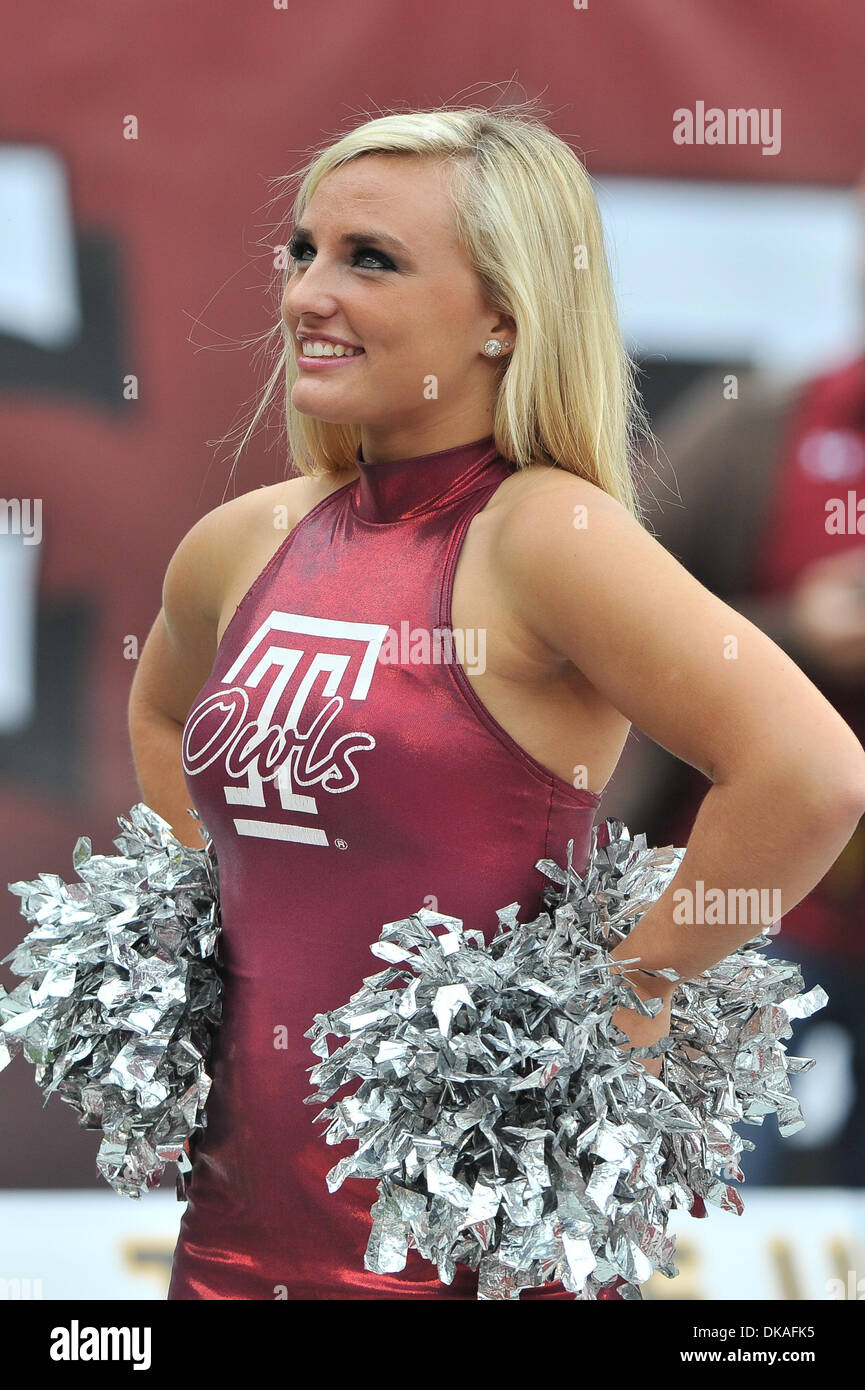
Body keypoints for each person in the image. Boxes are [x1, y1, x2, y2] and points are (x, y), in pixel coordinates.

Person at [127, 104, 865, 1300]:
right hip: (230, 1235)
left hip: (464, 1252)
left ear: (503, 317)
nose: (310, 292)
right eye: (302, 251)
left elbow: (809, 773)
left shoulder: (550, 536)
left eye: (370, 259)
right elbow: (162, 713)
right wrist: (193, 930)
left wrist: (633, 987)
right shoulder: (244, 539)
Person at [603, 349, 865, 1187]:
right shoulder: (764, 423)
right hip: (756, 896)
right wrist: (796, 628)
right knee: (715, 1187)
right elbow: (609, 602)